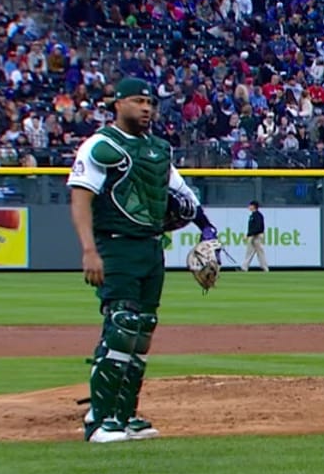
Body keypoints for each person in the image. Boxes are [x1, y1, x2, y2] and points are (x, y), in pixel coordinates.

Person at [67, 77, 217, 443]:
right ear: (118, 104)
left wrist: (207, 229)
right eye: (138, 101)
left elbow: (182, 192)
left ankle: (125, 414)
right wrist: (89, 250)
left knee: (143, 329)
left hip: (151, 246)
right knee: (122, 324)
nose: (146, 108)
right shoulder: (101, 146)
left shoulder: (158, 149)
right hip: (116, 245)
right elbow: (81, 197)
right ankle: (100, 420)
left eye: (150, 102)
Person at [241, 200, 269, 272]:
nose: (249, 207)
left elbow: (258, 227)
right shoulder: (252, 215)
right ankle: (244, 267)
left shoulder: (258, 215)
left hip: (257, 236)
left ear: (253, 206)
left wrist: (249, 235)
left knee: (259, 252)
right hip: (253, 235)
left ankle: (264, 267)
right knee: (250, 252)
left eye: (250, 205)